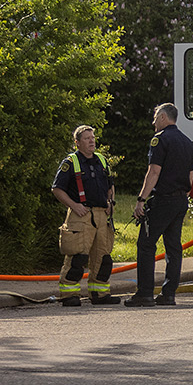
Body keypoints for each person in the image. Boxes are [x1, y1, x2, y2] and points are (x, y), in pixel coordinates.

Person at [126, 103, 193, 307]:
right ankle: (168, 294)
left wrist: (141, 200)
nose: (153, 122)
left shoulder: (160, 139)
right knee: (174, 247)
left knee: (146, 245)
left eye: (156, 117)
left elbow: (154, 172)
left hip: (163, 199)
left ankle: (145, 293)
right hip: (181, 199)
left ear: (164, 117)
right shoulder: (186, 141)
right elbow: (191, 177)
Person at [49, 125, 119, 307]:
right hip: (81, 215)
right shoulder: (70, 162)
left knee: (102, 257)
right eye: (87, 138)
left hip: (102, 214)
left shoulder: (102, 161)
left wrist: (111, 203)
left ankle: (100, 294)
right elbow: (57, 189)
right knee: (77, 256)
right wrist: (74, 205)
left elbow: (110, 186)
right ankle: (69, 295)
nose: (91, 141)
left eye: (93, 138)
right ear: (77, 143)